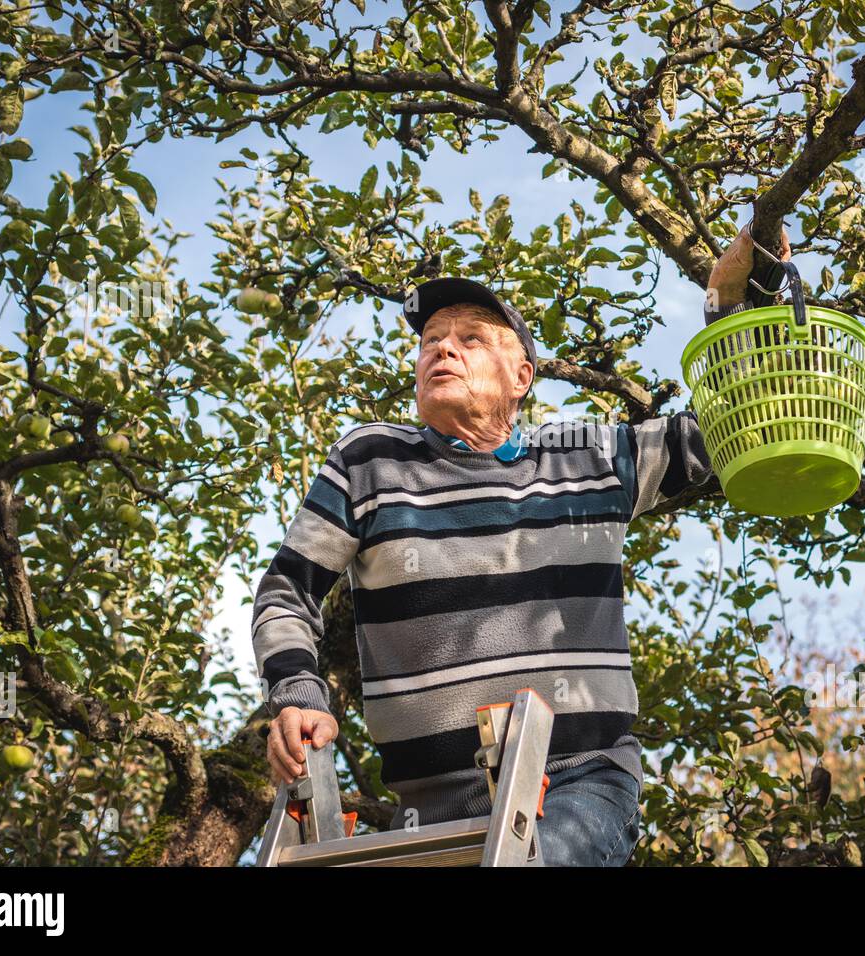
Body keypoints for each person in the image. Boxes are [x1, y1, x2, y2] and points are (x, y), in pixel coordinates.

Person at [251, 222, 788, 866]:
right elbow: (286, 591)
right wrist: (296, 695)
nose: (441, 351)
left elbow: (736, 421)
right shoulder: (369, 462)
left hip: (575, 781)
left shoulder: (588, 459)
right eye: (430, 341)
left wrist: (735, 302)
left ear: (521, 376)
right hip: (428, 807)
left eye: (470, 339)